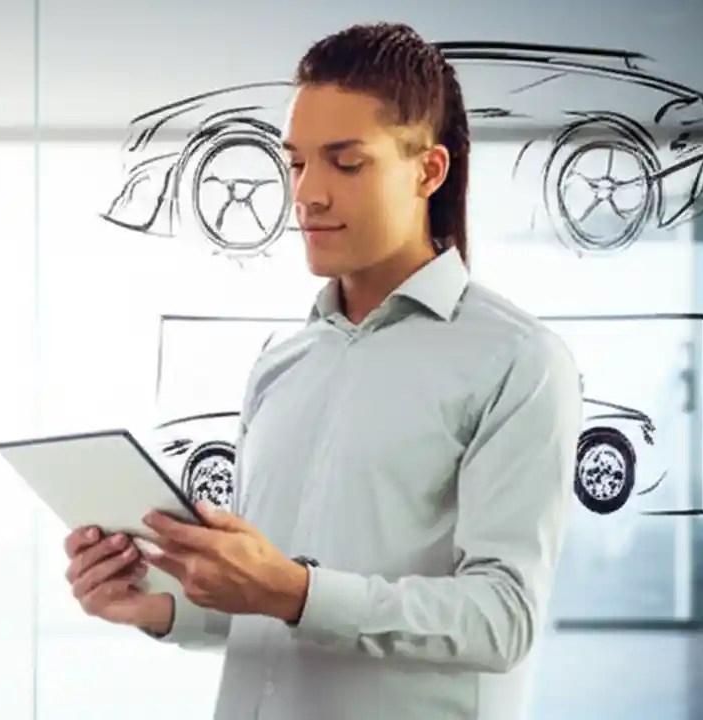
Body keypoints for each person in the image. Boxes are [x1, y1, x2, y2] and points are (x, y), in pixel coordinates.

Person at [62, 21, 583, 720]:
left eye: (346, 162)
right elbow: (265, 602)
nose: (306, 194)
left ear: (428, 170)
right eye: (298, 162)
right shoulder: (282, 364)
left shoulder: (518, 360)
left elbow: (502, 618)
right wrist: (156, 606)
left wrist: (293, 590)